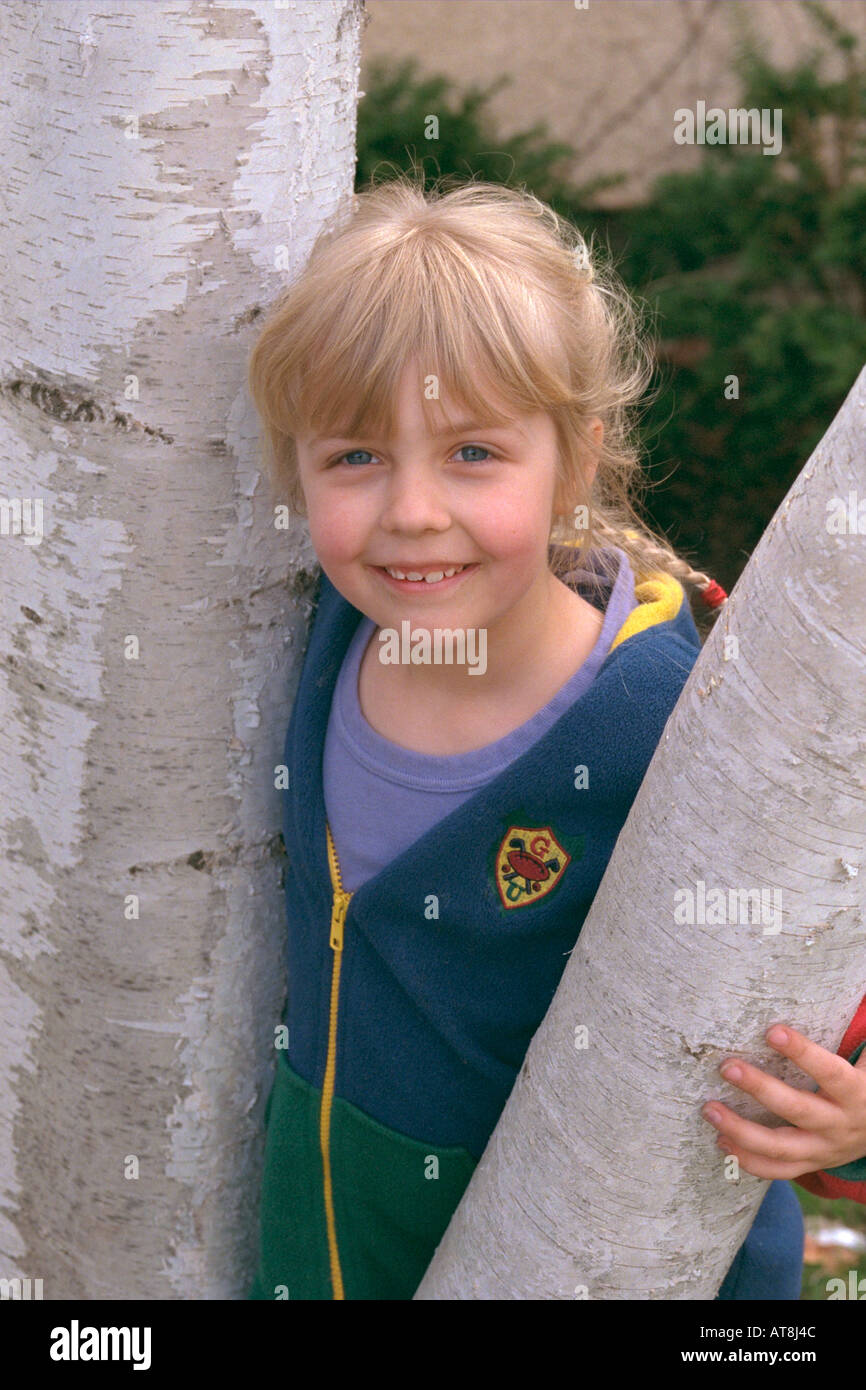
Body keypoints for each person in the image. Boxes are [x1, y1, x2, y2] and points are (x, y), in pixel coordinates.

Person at [244, 175, 866, 1300]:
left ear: (573, 461)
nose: (413, 510)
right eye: (354, 456)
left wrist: (851, 1118)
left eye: (472, 453)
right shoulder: (316, 635)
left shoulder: (665, 724)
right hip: (331, 1248)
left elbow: (822, 928)